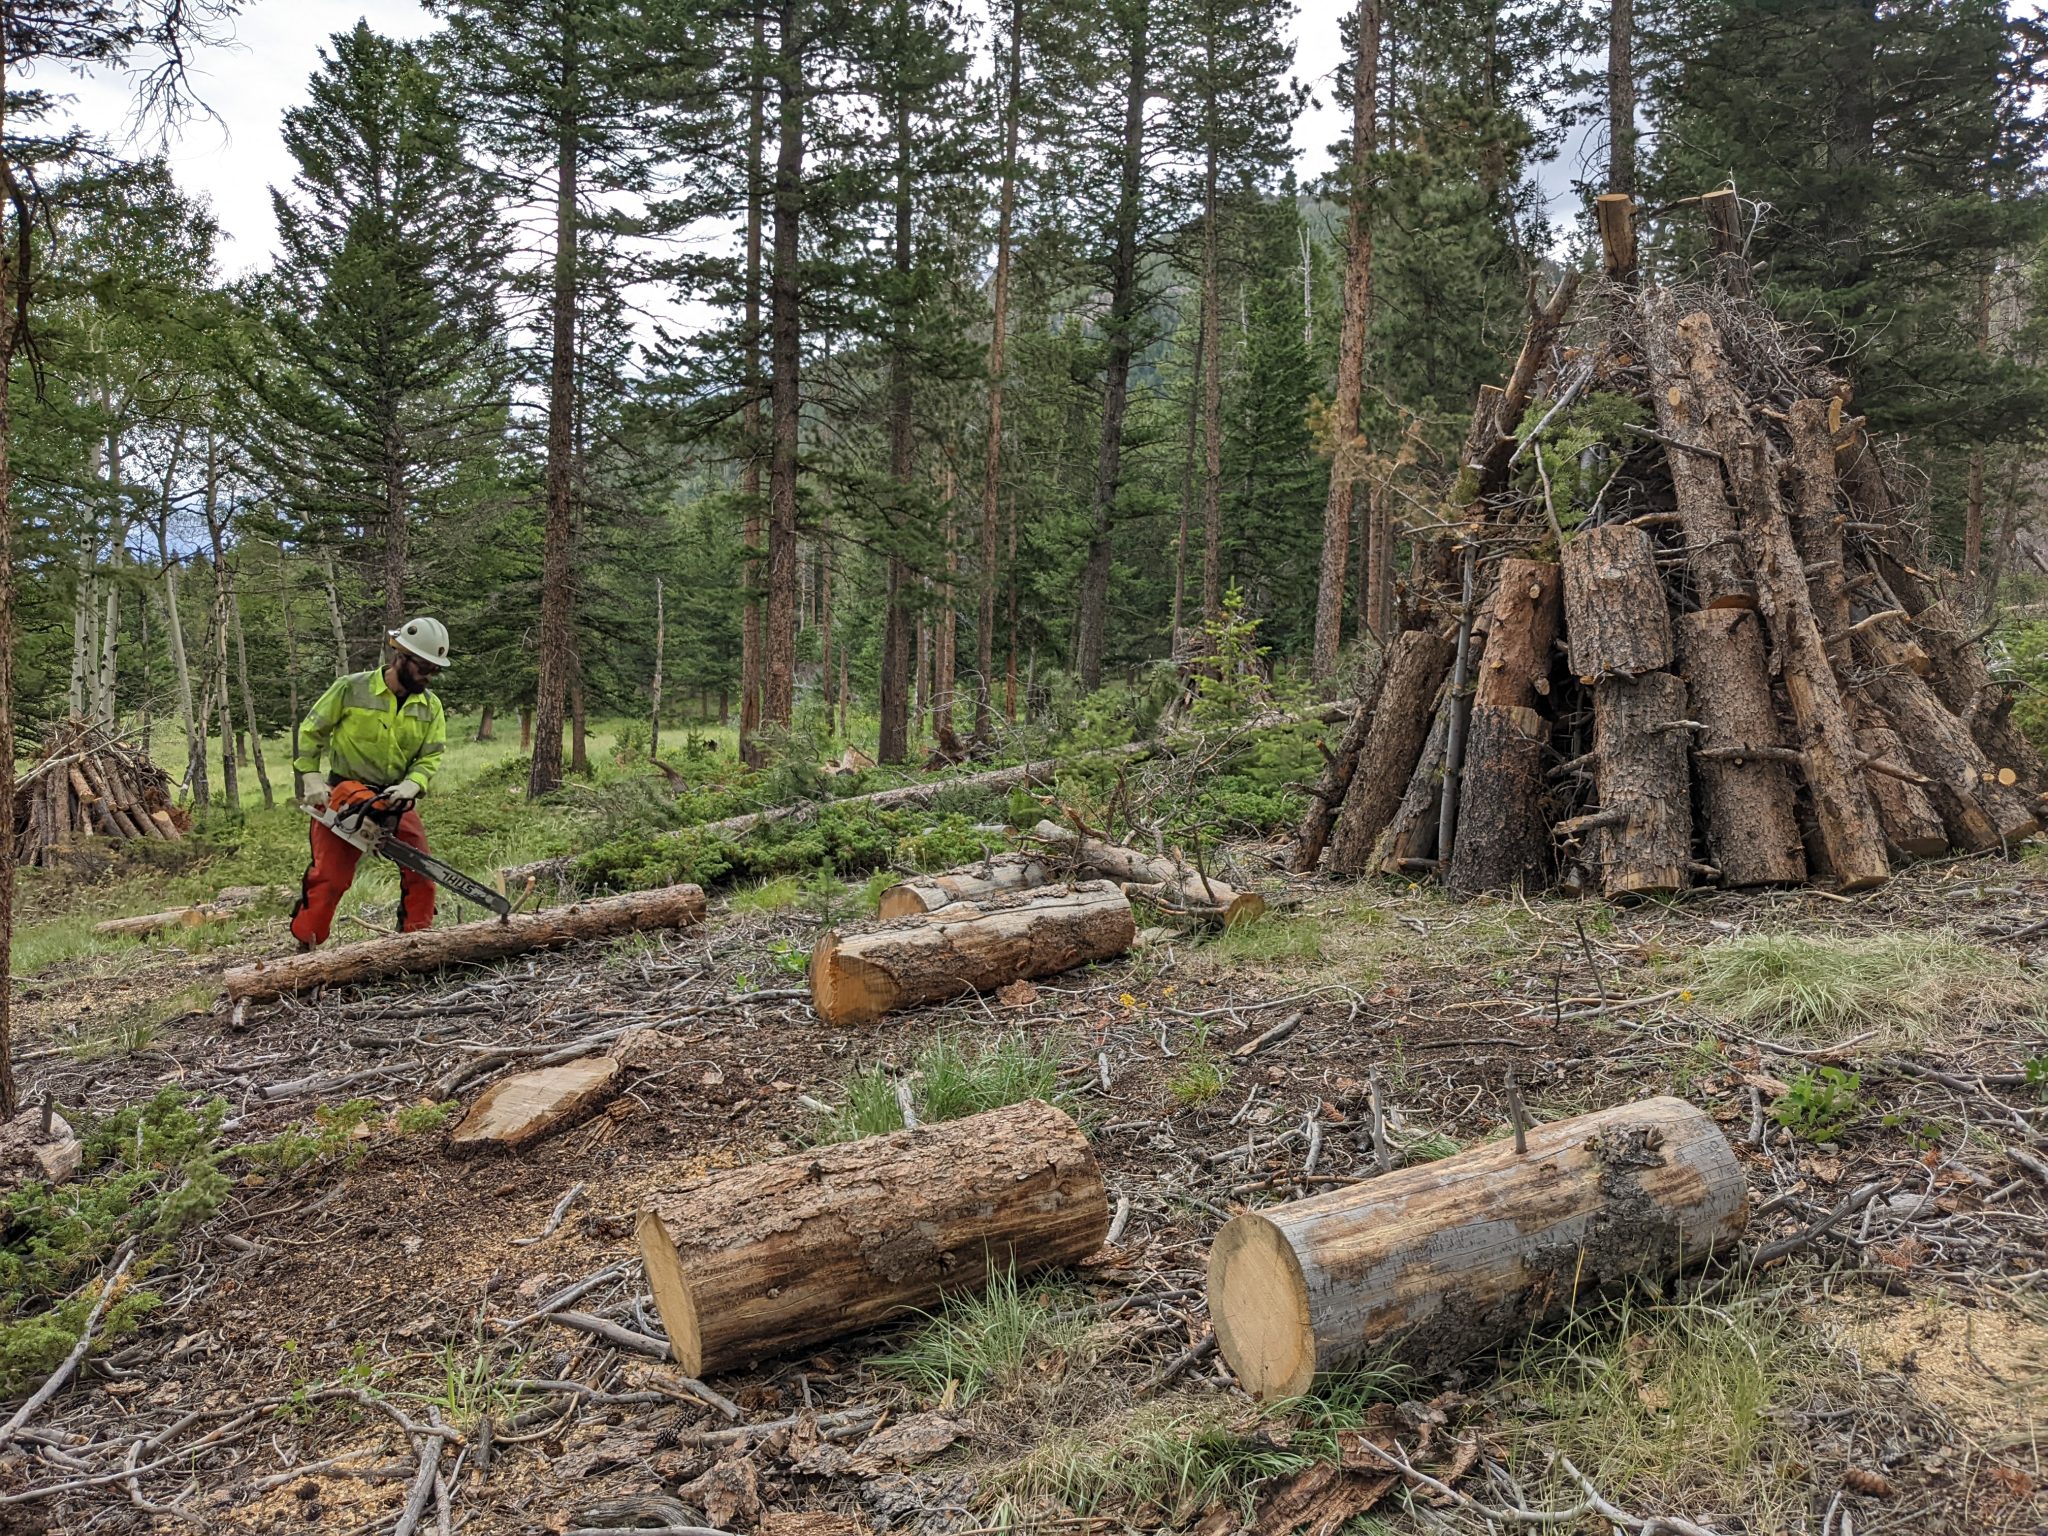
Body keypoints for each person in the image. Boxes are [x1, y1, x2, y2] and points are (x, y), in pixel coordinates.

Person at [290, 617, 451, 947]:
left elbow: (431, 755)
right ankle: (306, 941)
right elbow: (311, 730)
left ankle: (416, 942)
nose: (429, 676)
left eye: (434, 670)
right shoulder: (352, 688)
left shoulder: (430, 706)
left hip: (394, 796)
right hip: (347, 793)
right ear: (401, 657)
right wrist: (311, 775)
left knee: (422, 871)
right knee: (330, 878)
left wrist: (414, 783)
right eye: (424, 668)